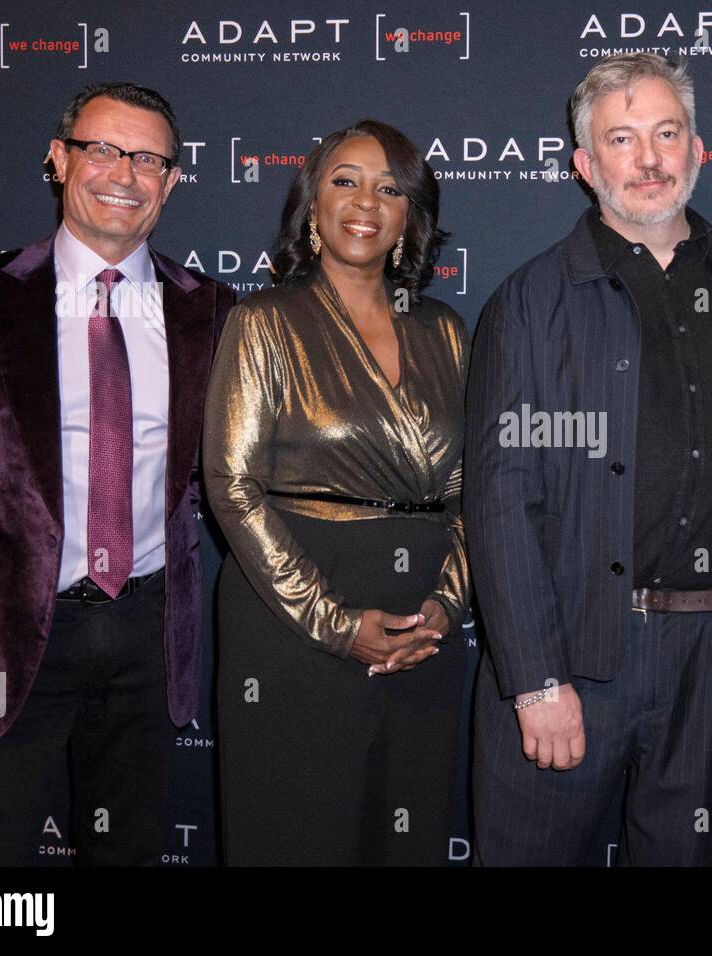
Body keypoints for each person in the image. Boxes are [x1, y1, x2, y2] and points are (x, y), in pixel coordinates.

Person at [466, 53, 712, 866]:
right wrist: (538, 682)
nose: (648, 160)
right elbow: (501, 499)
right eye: (621, 139)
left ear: (698, 149)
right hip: (575, 654)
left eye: (666, 133)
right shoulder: (530, 301)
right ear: (586, 166)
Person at [0, 82, 235, 865]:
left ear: (173, 180)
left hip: (147, 636)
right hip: (1, 632)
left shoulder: (213, 311)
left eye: (148, 158)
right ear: (59, 160)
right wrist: (5, 565)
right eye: (103, 149)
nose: (124, 172)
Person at [204, 119, 469, 866]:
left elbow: (471, 490)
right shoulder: (264, 322)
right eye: (345, 180)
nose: (367, 202)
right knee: (297, 834)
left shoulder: (444, 331)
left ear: (411, 217)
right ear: (312, 205)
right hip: (293, 618)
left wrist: (446, 608)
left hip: (422, 630)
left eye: (392, 188)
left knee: (405, 833)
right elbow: (231, 485)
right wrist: (329, 620)